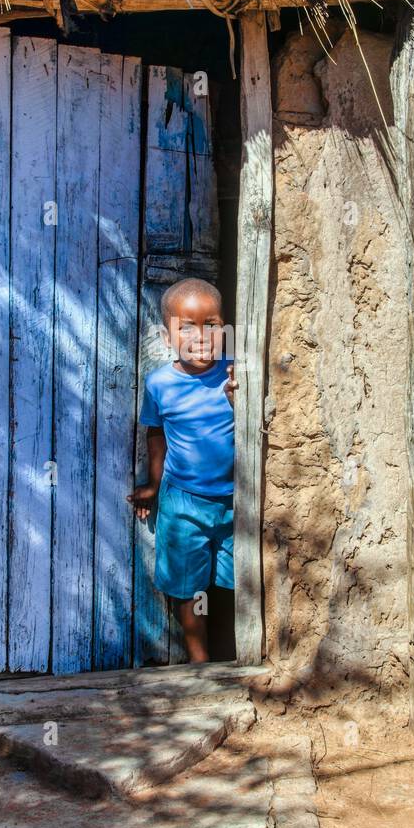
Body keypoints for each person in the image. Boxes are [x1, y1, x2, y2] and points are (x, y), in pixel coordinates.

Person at [127, 278, 237, 662]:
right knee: (189, 588)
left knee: (240, 577)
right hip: (184, 503)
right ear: (165, 335)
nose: (202, 336)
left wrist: (241, 397)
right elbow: (157, 436)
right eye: (187, 327)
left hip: (236, 503)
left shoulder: (235, 375)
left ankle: (239, 651)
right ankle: (199, 662)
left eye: (212, 324)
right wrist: (154, 485)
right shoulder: (158, 384)